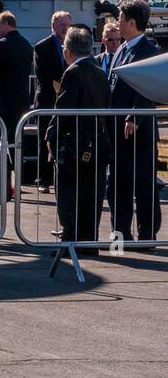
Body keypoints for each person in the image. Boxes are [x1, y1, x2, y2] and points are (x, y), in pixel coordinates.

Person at [46, 25, 110, 250]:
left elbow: (63, 109)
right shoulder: (100, 71)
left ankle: (70, 239)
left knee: (68, 193)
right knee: (92, 195)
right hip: (98, 142)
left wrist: (51, 136)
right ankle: (88, 239)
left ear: (68, 51)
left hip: (75, 144)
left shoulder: (73, 72)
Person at [106, 0, 161, 241]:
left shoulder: (148, 50)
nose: (117, 23)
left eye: (120, 18)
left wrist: (135, 116)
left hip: (139, 132)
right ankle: (120, 233)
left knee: (143, 185)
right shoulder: (122, 48)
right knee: (118, 185)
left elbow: (149, 87)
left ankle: (147, 234)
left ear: (131, 22)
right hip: (118, 130)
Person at [0, 11, 34, 175]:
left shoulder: (0, 45)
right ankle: (19, 176)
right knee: (18, 141)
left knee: (2, 141)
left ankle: (5, 178)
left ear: (6, 24)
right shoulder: (26, 45)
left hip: (3, 101)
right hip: (21, 101)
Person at [32, 10, 72, 187]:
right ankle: (44, 178)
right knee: (45, 138)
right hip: (49, 99)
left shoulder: (74, 45)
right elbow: (44, 76)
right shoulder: (42, 47)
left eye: (67, 25)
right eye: (62, 25)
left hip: (69, 100)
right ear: (54, 25)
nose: (65, 28)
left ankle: (65, 177)